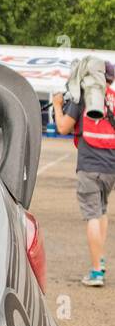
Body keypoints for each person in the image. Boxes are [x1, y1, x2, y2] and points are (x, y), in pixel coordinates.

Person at [52, 60, 115, 286]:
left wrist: (58, 105)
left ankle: (97, 271)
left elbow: (62, 127)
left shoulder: (85, 95)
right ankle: (100, 258)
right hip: (111, 165)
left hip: (89, 164)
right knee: (102, 211)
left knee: (91, 215)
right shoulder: (112, 98)